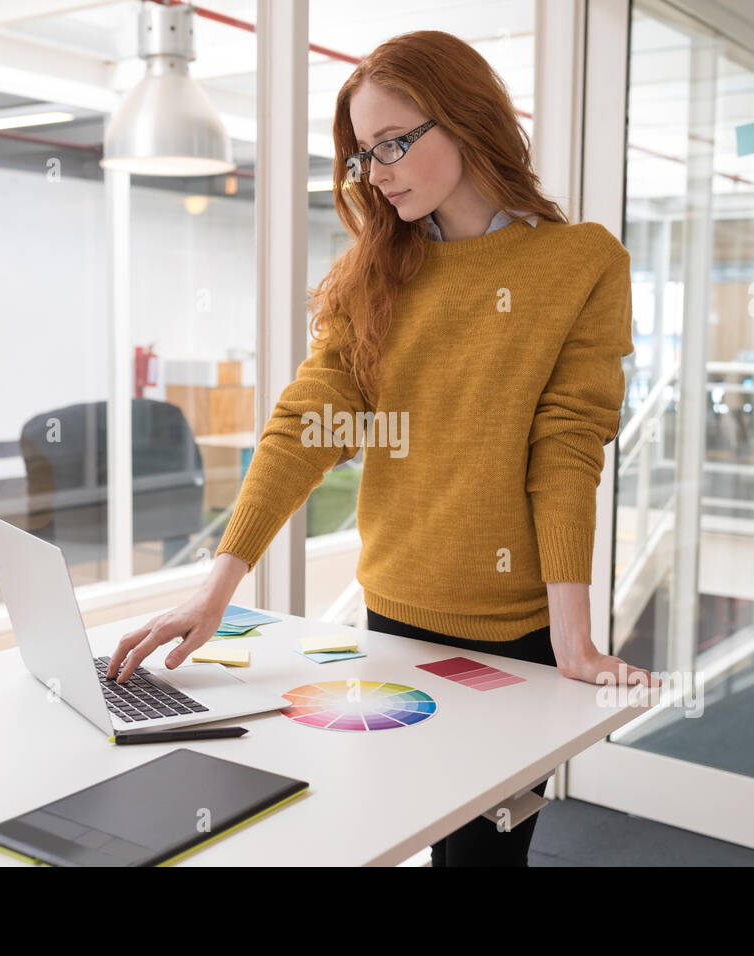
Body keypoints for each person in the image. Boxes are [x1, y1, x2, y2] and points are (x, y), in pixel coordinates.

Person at [108, 29, 658, 867]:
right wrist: (215, 589)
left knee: (482, 854)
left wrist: (571, 639)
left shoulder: (581, 263)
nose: (378, 171)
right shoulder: (376, 272)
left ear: (467, 120)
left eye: (393, 143)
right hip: (393, 618)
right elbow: (306, 426)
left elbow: (566, 447)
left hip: (516, 634)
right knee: (392, 834)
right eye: (364, 155)